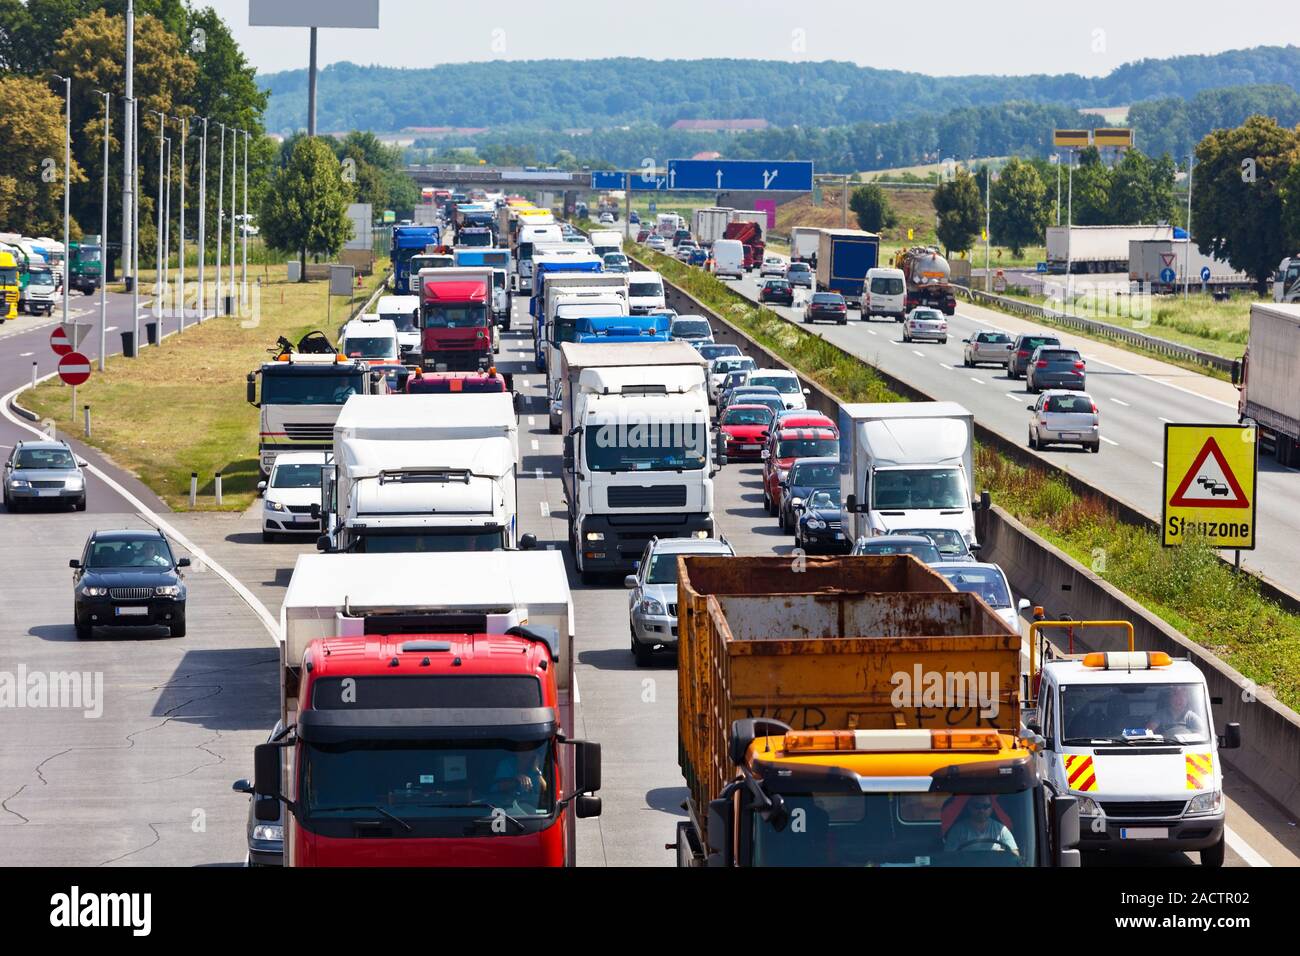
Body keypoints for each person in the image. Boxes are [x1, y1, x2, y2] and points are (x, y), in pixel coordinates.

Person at [943, 797, 1019, 855]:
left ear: (991, 808)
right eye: (977, 806)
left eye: (986, 806)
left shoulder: (1001, 830)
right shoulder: (957, 830)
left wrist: (1005, 856)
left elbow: (1015, 855)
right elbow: (949, 858)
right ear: (969, 807)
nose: (981, 810)